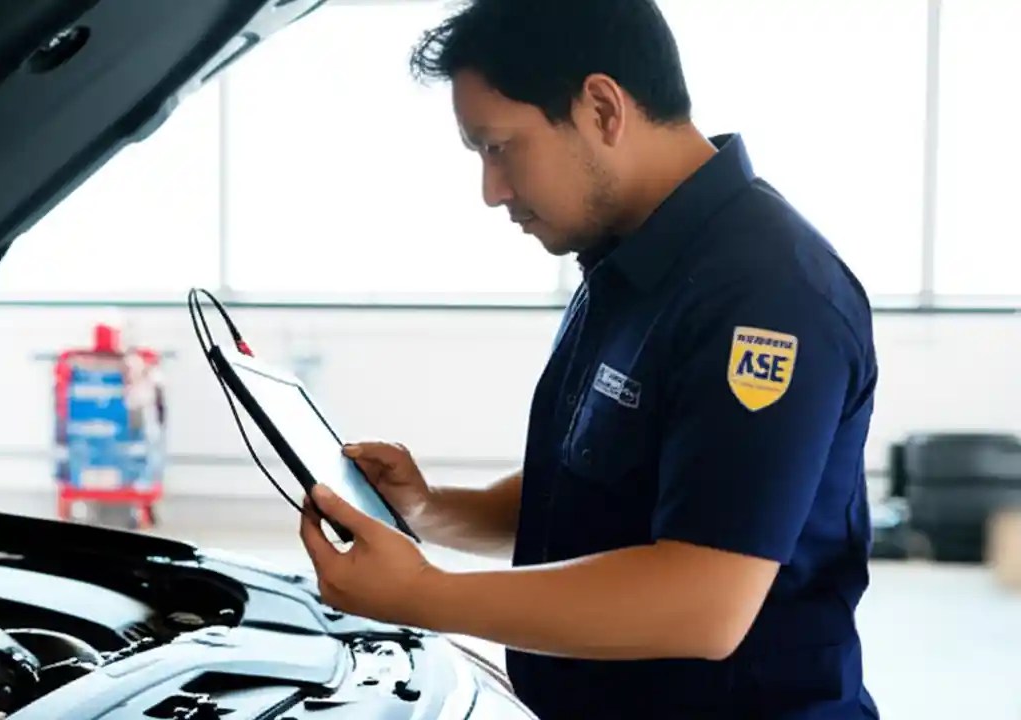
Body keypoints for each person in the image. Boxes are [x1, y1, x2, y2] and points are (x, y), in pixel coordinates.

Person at [296, 0, 880, 717]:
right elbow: (592, 491)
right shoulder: (627, 260)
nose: (491, 191)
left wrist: (423, 595)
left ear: (602, 109)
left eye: (499, 147)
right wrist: (429, 510)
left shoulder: (767, 293)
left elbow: (704, 601)